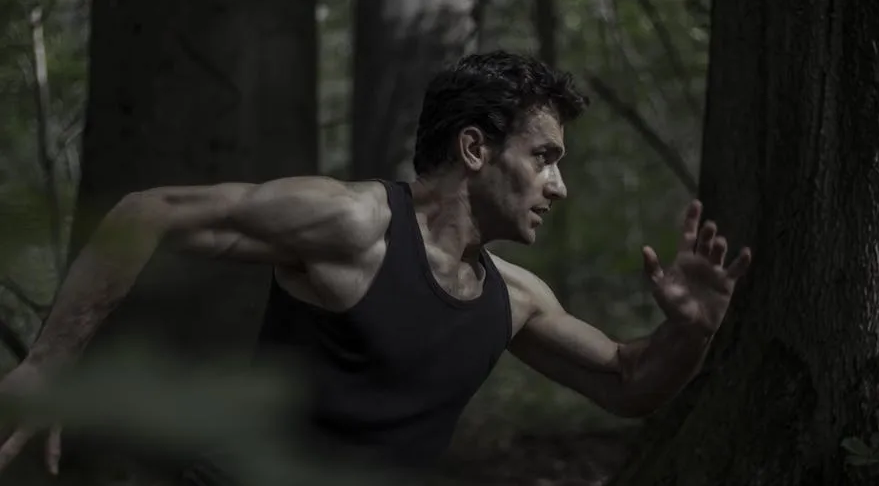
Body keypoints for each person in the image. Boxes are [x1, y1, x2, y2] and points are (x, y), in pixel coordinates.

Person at [0, 51, 751, 480]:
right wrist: (48, 363)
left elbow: (628, 382)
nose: (560, 184)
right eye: (545, 157)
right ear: (474, 148)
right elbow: (147, 212)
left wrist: (690, 330)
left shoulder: (514, 297)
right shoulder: (353, 224)